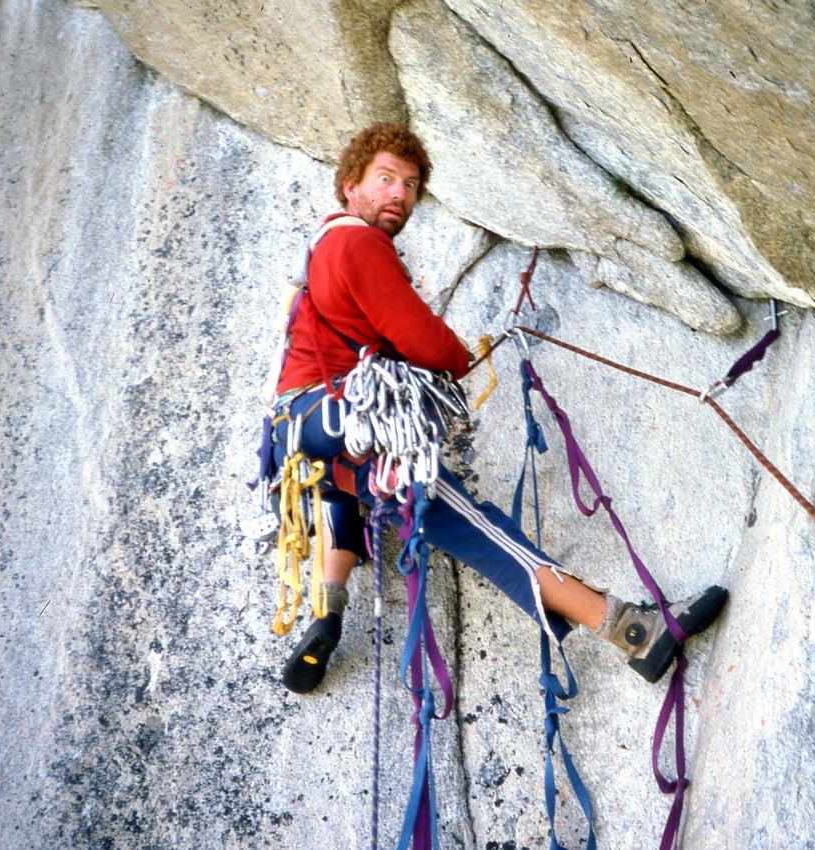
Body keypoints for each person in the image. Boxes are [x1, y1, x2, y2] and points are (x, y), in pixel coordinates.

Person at [268, 122, 727, 694]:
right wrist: (458, 357)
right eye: (384, 179)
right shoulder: (357, 242)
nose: (399, 195)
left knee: (351, 495)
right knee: (480, 528)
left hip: (302, 433)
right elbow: (430, 346)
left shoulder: (314, 252)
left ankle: (329, 611)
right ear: (349, 185)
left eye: (410, 185)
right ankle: (634, 631)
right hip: (345, 418)